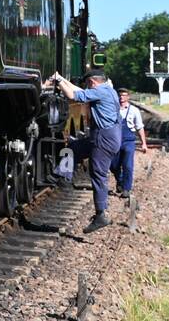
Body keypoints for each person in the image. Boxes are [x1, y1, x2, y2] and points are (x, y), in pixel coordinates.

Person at [45, 69, 121, 233]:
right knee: (74, 148)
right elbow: (80, 91)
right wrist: (63, 79)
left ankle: (101, 214)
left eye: (88, 84)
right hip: (105, 136)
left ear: (93, 82)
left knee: (98, 173)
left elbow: (73, 96)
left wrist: (58, 83)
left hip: (103, 138)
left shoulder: (100, 91)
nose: (87, 87)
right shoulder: (107, 90)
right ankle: (64, 175)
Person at [110, 88, 147, 200]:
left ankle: (126, 189)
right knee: (113, 165)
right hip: (115, 140)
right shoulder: (113, 109)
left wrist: (143, 143)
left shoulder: (134, 110)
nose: (122, 98)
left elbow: (139, 127)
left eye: (124, 95)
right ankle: (120, 181)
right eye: (120, 95)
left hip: (128, 141)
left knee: (128, 165)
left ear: (128, 97)